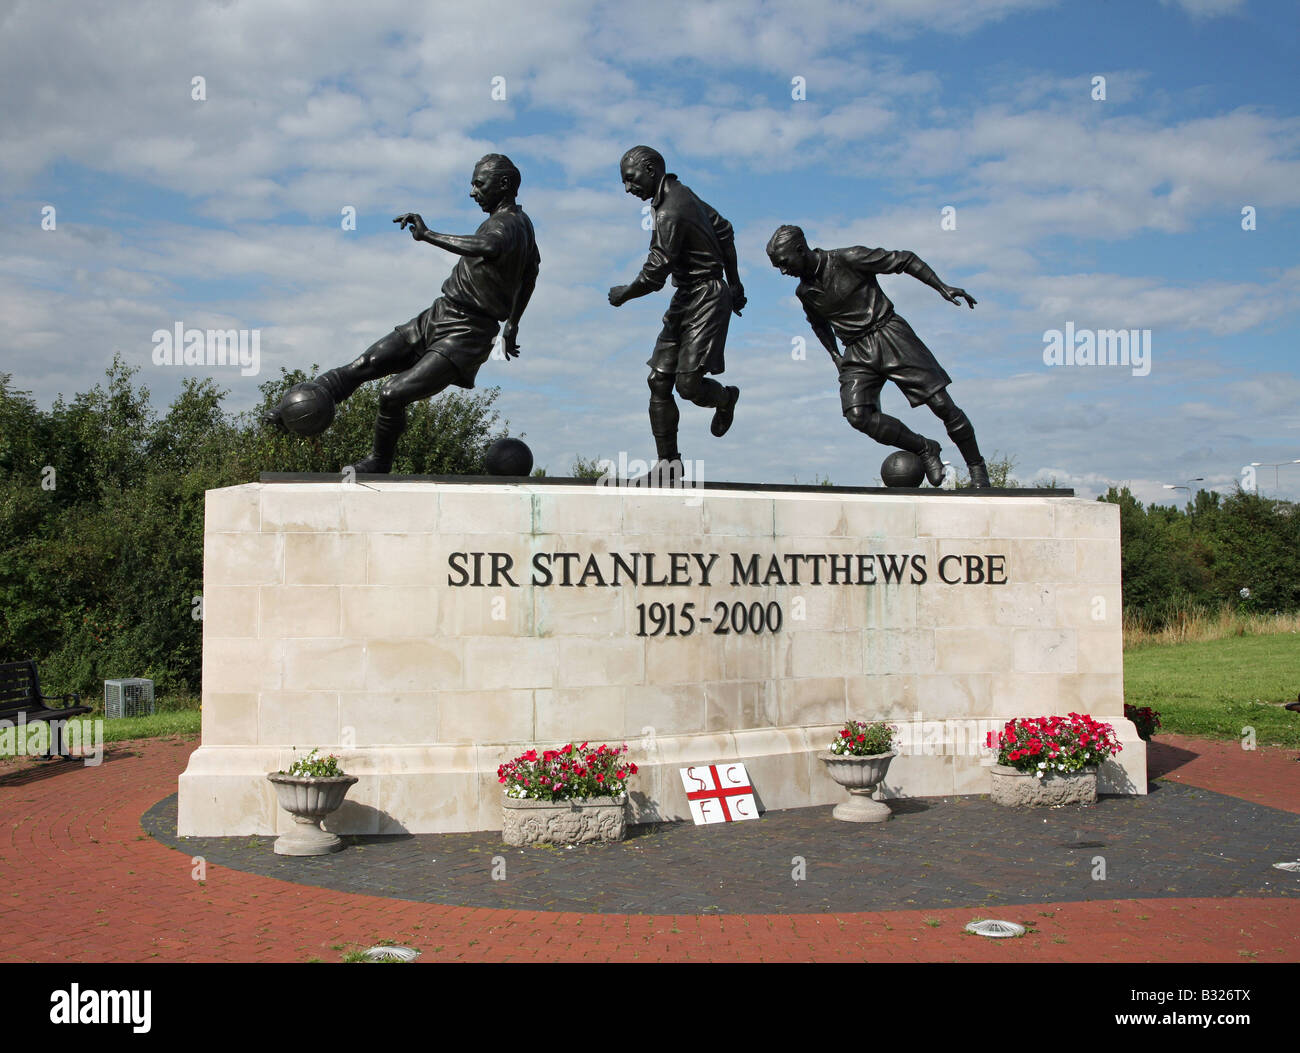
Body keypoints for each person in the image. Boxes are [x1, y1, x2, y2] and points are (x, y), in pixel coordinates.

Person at [265, 154, 539, 474]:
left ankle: (379, 462)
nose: (472, 191)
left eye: (479, 184)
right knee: (364, 364)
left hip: (467, 334)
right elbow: (531, 273)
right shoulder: (522, 225)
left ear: (504, 184)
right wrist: (513, 324)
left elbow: (487, 247)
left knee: (392, 394)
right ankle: (289, 411)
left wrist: (428, 234)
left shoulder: (507, 225)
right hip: (439, 314)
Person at [766, 224, 989, 488]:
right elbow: (818, 324)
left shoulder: (848, 258)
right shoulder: (804, 292)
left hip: (890, 334)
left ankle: (977, 470)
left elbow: (904, 259)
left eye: (784, 262)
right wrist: (836, 356)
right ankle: (925, 448)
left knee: (942, 404)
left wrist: (941, 286)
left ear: (800, 250)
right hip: (857, 351)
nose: (783, 271)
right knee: (858, 415)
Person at [608, 146, 745, 478]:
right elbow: (724, 229)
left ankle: (725, 398)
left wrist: (624, 293)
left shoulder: (672, 209)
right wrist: (737, 283)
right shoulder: (680, 194)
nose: (628, 188)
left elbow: (656, 271)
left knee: (687, 385)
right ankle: (669, 466)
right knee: (658, 381)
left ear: (651, 170)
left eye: (630, 179)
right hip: (687, 295)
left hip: (707, 297)